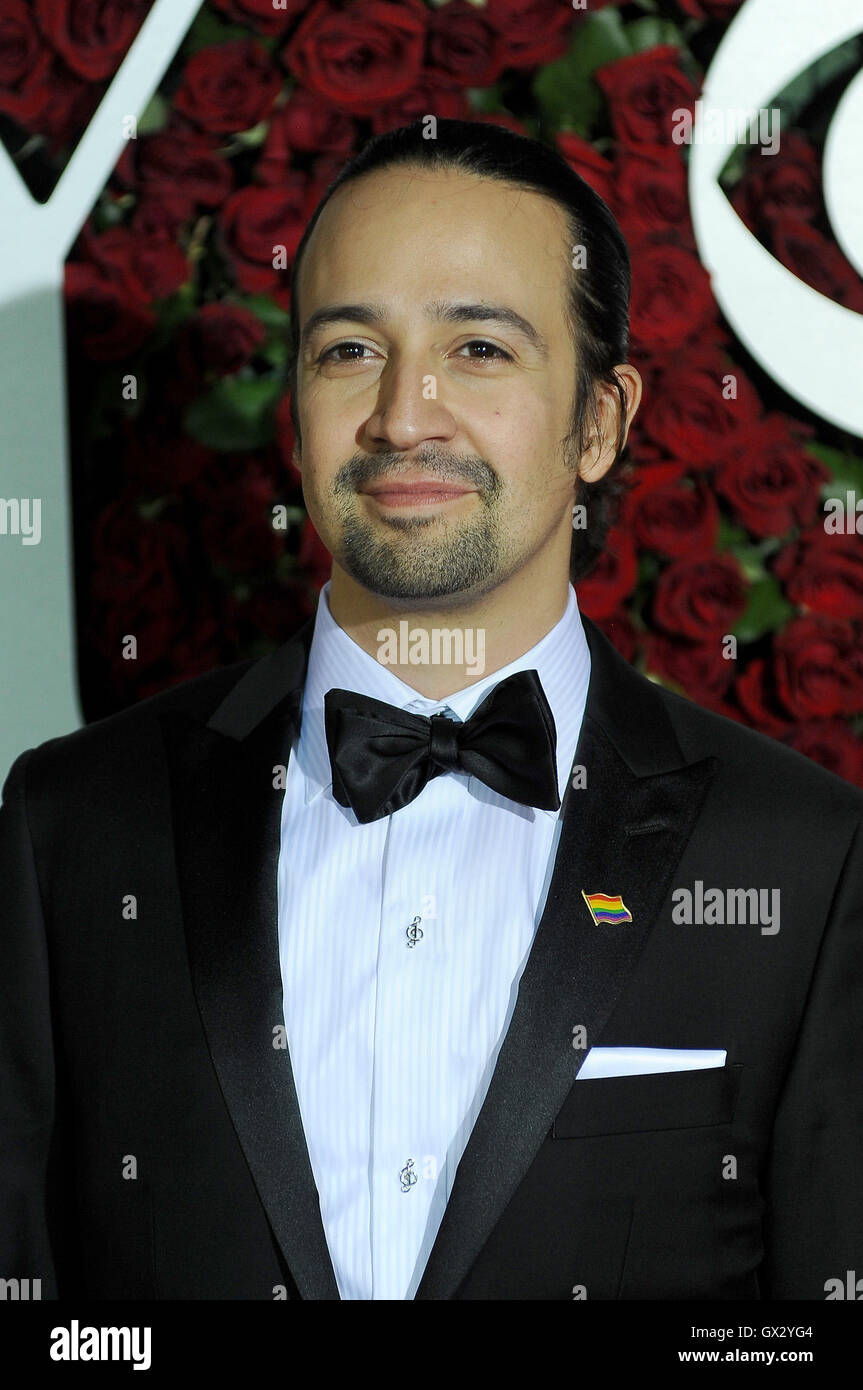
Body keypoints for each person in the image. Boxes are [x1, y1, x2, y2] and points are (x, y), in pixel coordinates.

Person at [1, 118, 861, 1301]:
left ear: (599, 423)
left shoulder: (801, 858)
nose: (405, 416)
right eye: (350, 348)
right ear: (293, 404)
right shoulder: (69, 827)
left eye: (480, 350)